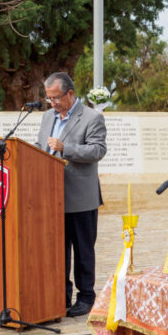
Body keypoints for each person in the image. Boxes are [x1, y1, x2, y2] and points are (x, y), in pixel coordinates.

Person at [37, 72, 107, 318]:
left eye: (56, 97)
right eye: (49, 98)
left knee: (83, 250)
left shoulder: (91, 117)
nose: (53, 103)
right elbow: (41, 147)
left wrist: (66, 148)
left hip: (80, 197)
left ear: (70, 93)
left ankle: (86, 297)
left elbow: (98, 150)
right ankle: (61, 295)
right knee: (59, 251)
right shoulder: (47, 117)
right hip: (52, 197)